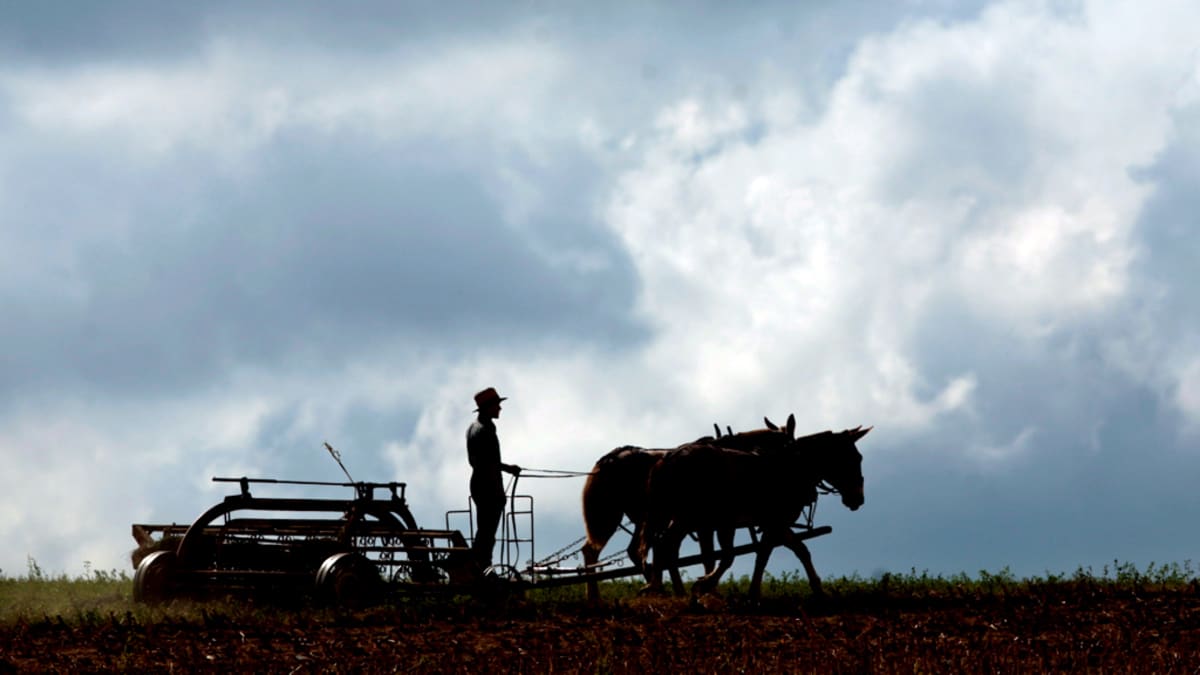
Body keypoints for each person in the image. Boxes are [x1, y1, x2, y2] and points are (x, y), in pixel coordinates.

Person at [466, 387, 521, 570]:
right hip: (488, 486)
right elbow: (488, 463)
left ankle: (479, 567)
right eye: (497, 405)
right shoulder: (485, 430)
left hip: (478, 484)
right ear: (488, 407)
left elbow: (476, 462)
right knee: (487, 533)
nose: (499, 408)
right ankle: (482, 568)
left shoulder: (473, 428)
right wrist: (508, 470)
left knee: (484, 531)